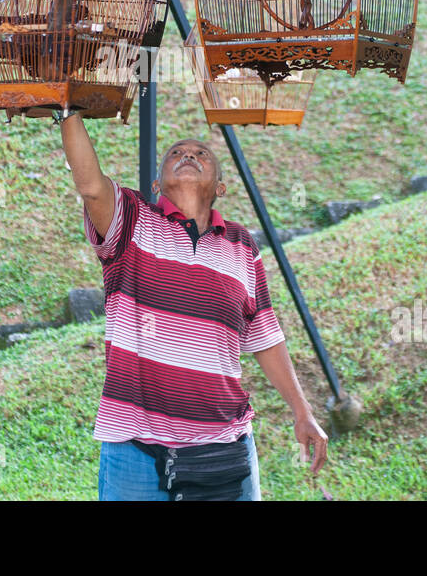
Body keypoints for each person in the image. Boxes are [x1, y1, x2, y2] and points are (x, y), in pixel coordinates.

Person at [60, 112, 329, 500]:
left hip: (225, 446)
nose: (189, 155)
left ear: (219, 186)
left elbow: (265, 337)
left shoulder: (242, 246)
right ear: (156, 183)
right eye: (176, 153)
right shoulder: (132, 221)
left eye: (201, 153)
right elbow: (90, 187)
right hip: (135, 448)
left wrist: (302, 410)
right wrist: (68, 111)